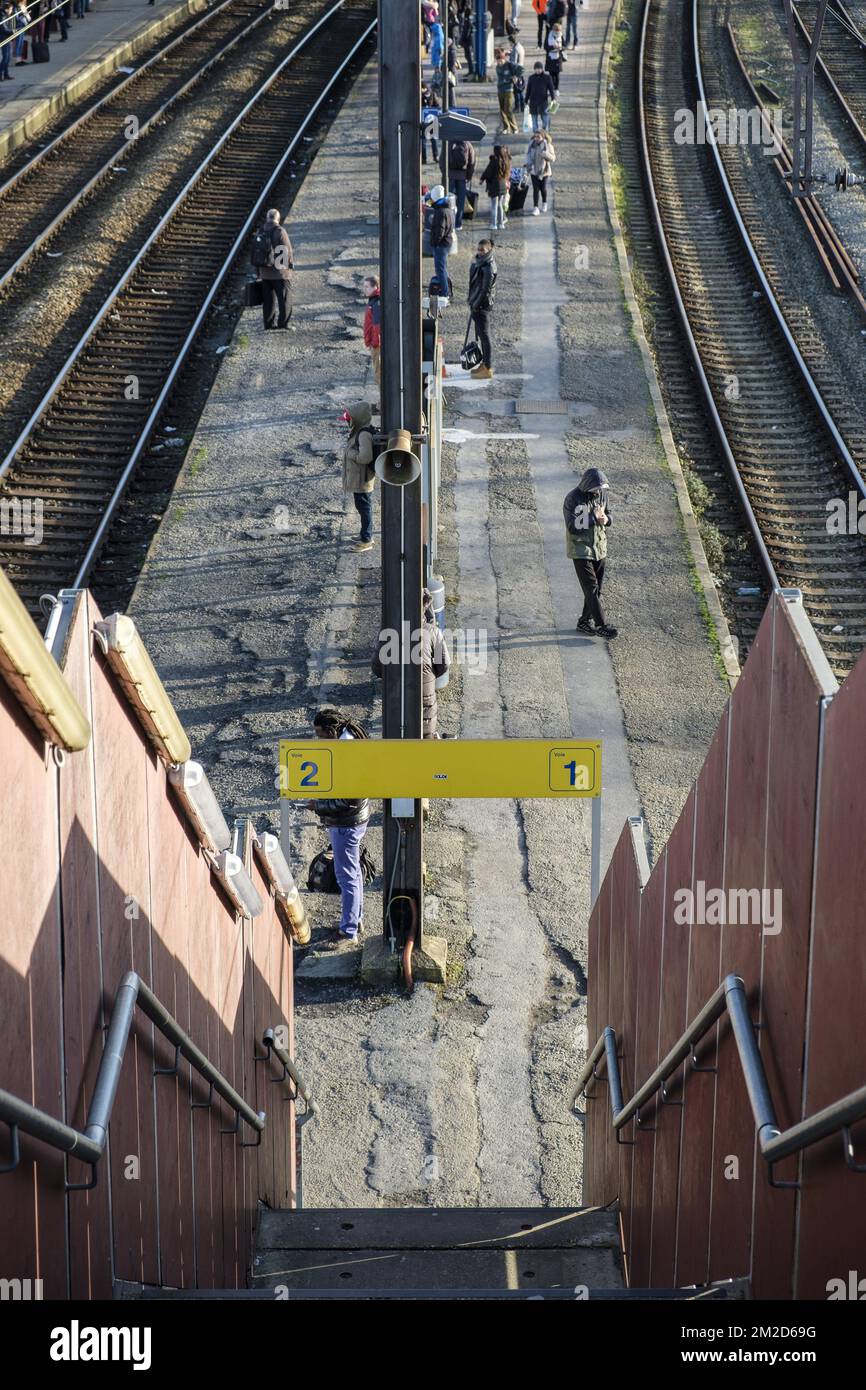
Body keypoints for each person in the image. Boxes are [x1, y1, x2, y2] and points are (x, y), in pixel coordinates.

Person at [306, 707, 371, 942]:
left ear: (332, 730)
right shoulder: (351, 736)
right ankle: (356, 918)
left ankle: (349, 929)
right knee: (352, 872)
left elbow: (348, 799)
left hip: (346, 823)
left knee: (346, 876)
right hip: (356, 818)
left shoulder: (345, 753)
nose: (318, 739)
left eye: (320, 733)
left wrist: (319, 807)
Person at [372, 589, 450, 738]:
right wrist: (430, 675)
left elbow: (376, 666)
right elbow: (444, 664)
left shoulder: (388, 631)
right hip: (424, 696)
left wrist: (391, 676)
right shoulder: (432, 632)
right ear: (424, 605)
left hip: (395, 695)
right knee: (425, 736)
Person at [563, 469, 617, 638]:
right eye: (595, 488)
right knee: (591, 588)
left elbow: (609, 515)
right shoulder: (572, 498)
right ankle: (602, 625)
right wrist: (593, 518)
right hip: (581, 550)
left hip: (600, 548)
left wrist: (606, 520)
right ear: (587, 485)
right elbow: (572, 526)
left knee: (596, 590)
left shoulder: (602, 494)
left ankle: (584, 622)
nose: (598, 491)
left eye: (600, 488)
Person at [341, 401, 377, 553]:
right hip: (359, 478)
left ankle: (366, 539)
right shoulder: (359, 430)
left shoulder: (363, 434)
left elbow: (365, 457)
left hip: (362, 480)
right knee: (362, 507)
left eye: (349, 419)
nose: (347, 422)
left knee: (364, 508)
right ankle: (365, 534)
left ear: (357, 418)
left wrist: (351, 454)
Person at [251, 208, 293, 330]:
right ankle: (283, 324)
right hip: (279, 274)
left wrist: (258, 271)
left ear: (267, 218)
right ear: (278, 219)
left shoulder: (260, 230)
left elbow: (256, 252)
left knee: (268, 302)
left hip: (264, 273)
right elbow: (285, 251)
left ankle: (268, 325)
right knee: (285, 299)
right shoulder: (279, 231)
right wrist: (286, 270)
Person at [467, 237, 497, 380]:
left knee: (485, 336)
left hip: (482, 305)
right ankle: (484, 364)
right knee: (481, 333)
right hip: (477, 303)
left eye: (482, 250)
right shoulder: (481, 263)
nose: (479, 253)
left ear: (489, 250)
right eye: (478, 250)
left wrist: (475, 305)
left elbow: (485, 290)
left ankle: (488, 367)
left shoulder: (488, 267)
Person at [427, 183, 454, 296]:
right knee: (443, 268)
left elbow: (439, 231)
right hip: (447, 242)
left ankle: (445, 293)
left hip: (441, 245)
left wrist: (434, 243)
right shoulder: (447, 209)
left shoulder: (440, 212)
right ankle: (446, 290)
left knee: (440, 270)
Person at [443, 136, 475, 230]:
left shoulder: (449, 142)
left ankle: (449, 222)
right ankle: (458, 224)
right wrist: (469, 176)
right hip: (462, 176)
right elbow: (472, 162)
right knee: (460, 202)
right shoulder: (467, 144)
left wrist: (445, 174)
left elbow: (442, 160)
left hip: (450, 176)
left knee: (448, 200)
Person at [480, 144, 511, 230]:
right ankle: (501, 224)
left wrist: (483, 179)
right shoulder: (506, 160)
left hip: (494, 185)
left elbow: (488, 172)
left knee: (494, 205)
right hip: (503, 184)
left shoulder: (494, 161)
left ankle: (493, 224)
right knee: (500, 205)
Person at [526, 128, 555, 213]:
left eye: (538, 137)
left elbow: (553, 158)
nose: (536, 139)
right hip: (533, 169)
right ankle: (535, 207)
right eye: (535, 137)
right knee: (536, 188)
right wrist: (527, 164)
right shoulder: (531, 144)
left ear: (543, 137)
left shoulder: (548, 145)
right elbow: (528, 155)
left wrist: (545, 154)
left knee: (543, 188)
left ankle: (544, 203)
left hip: (544, 171)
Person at [362, 275, 381, 388]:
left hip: (377, 345)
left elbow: (377, 326)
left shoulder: (376, 303)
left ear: (376, 287)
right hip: (374, 343)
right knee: (378, 373)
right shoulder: (373, 301)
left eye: (367, 287)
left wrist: (373, 343)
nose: (365, 289)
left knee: (379, 374)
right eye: (364, 286)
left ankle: (384, 403)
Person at [494, 47, 518, 134]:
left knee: (508, 109)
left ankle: (514, 127)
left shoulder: (509, 65)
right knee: (502, 110)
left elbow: (518, 71)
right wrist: (508, 79)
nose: (499, 62)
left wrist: (514, 77)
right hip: (500, 89)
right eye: (498, 60)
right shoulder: (498, 67)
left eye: (500, 60)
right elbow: (503, 77)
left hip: (509, 89)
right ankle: (506, 127)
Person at [526, 60, 555, 130]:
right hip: (533, 101)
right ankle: (535, 133)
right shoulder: (531, 78)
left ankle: (545, 131)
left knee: (545, 118)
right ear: (534, 69)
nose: (538, 70)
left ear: (542, 69)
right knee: (534, 119)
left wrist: (553, 98)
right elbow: (528, 90)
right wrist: (526, 100)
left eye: (539, 69)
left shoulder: (547, 77)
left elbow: (551, 89)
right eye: (536, 69)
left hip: (543, 101)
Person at [421, 81, 440, 164]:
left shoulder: (432, 94)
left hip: (432, 121)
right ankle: (423, 158)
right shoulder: (419, 95)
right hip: (423, 122)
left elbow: (437, 106)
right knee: (423, 141)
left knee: (434, 140)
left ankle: (435, 156)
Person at [546, 20, 564, 90]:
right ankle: (552, 88)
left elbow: (564, 46)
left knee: (557, 75)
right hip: (550, 57)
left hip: (558, 57)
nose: (558, 32)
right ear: (553, 30)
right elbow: (545, 47)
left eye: (559, 30)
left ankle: (556, 89)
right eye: (556, 30)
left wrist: (560, 48)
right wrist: (552, 47)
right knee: (551, 75)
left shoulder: (561, 36)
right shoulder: (549, 36)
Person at [458, 5, 474, 75]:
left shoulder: (467, 21)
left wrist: (461, 41)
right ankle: (471, 70)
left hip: (467, 41)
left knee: (468, 56)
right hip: (469, 41)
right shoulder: (470, 20)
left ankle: (471, 71)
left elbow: (465, 32)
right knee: (468, 56)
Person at [0, 2, 14, 78]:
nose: (11, 11)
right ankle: (0, 74)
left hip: (6, 37)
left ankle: (6, 74)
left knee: (8, 57)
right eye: (11, 9)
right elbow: (4, 29)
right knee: (5, 57)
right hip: (3, 38)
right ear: (6, 9)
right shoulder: (2, 16)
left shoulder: (5, 15)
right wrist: (12, 31)